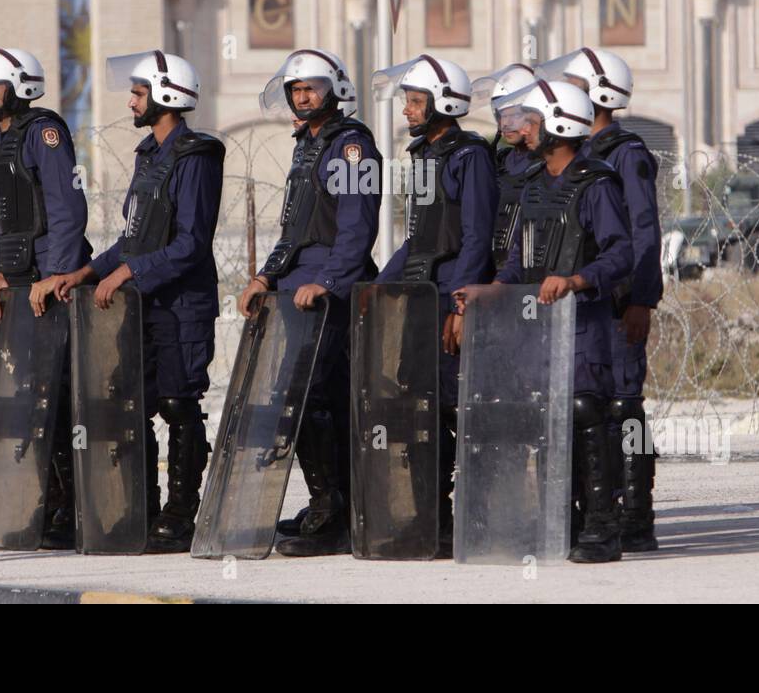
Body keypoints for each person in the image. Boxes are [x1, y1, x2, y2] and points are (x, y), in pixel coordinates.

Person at [34, 50, 224, 553]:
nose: (131, 101)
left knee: (178, 404)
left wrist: (127, 272)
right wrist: (86, 270)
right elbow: (132, 237)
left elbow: (191, 243)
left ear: (165, 98)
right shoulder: (148, 155)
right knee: (133, 406)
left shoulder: (197, 156)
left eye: (139, 93)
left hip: (182, 304)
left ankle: (181, 514)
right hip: (141, 304)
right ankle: (141, 507)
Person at [237, 49, 380, 556]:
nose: (302, 96)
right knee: (311, 397)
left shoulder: (351, 148)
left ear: (335, 89)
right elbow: (292, 230)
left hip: (328, 292)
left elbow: (357, 229)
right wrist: (264, 276)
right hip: (296, 288)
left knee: (311, 396)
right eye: (295, 89)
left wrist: (328, 280)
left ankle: (333, 511)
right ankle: (331, 502)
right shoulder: (306, 147)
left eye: (311, 87)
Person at [0, 46, 92, 549]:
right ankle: (47, 505)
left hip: (52, 286)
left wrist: (54, 273)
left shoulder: (45, 134)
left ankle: (74, 510)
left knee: (65, 399)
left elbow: (67, 208)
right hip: (15, 287)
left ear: (19, 86)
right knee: (28, 401)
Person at [486, 78, 634, 563]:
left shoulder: (596, 183)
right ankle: (562, 521)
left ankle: (602, 527)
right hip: (537, 324)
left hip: (583, 319)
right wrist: (492, 290)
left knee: (586, 413)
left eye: (532, 121)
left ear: (559, 127)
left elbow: (621, 254)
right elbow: (518, 258)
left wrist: (575, 280)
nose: (523, 130)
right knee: (549, 420)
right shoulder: (532, 183)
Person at [373, 54, 498, 555]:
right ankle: (429, 517)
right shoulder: (422, 156)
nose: (406, 109)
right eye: (406, 99)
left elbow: (475, 238)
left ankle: (465, 522)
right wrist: (379, 287)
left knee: (454, 412)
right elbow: (417, 240)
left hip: (449, 299)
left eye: (415, 101)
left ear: (443, 103)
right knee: (418, 414)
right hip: (421, 298)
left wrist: (460, 307)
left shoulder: (469, 158)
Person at [545, 46, 664, 551]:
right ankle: (606, 506)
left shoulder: (625, 153)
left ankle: (636, 513)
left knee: (624, 405)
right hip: (591, 301)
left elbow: (643, 232)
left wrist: (639, 299)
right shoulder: (584, 154)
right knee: (595, 408)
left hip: (618, 302)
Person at [470, 63, 540, 273]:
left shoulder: (547, 164)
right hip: (494, 272)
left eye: (514, 115)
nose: (505, 124)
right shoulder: (498, 161)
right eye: (501, 115)